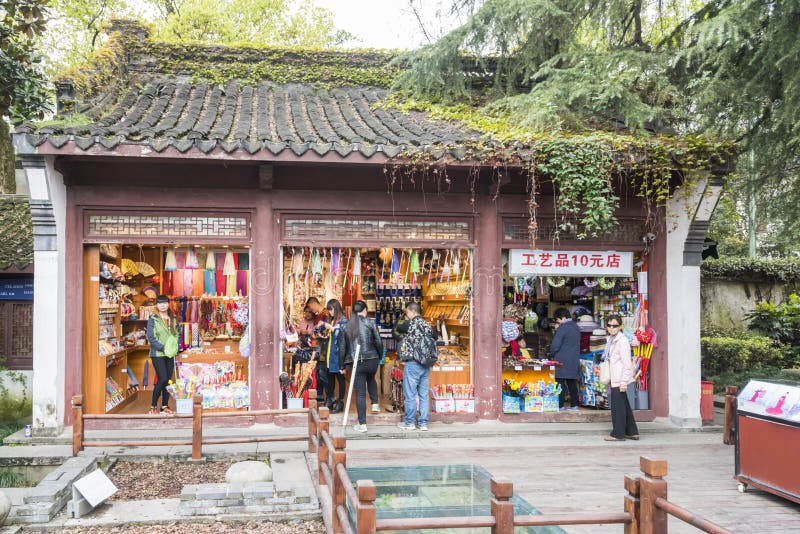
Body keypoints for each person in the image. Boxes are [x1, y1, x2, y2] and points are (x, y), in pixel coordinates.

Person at [344, 300, 384, 433]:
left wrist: (344, 364)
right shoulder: (371, 322)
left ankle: (362, 424)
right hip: (372, 359)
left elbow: (344, 347)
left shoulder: (348, 325)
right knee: (371, 378)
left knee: (360, 393)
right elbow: (378, 341)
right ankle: (375, 404)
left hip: (357, 362)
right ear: (365, 310)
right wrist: (379, 356)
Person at [397, 301, 435, 432]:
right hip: (426, 364)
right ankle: (423, 423)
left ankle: (410, 423)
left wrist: (404, 317)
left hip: (413, 363)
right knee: (424, 394)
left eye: (407, 312)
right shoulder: (427, 325)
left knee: (410, 395)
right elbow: (435, 336)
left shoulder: (409, 324)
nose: (406, 315)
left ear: (412, 311)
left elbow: (397, 328)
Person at [604, 314, 639, 441]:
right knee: (624, 405)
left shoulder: (622, 341)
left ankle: (618, 434)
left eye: (615, 326)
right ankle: (632, 431)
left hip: (619, 379)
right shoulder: (611, 339)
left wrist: (624, 382)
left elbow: (627, 364)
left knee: (617, 407)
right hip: (615, 377)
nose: (612, 328)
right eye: (609, 325)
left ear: (620, 326)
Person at [146, 295, 178, 415]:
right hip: (157, 354)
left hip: (170, 354)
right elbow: (151, 338)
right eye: (160, 303)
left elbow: (177, 333)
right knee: (163, 378)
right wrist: (165, 348)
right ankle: (153, 405)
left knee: (168, 380)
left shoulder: (173, 318)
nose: (163, 305)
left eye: (165, 303)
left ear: (168, 304)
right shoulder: (153, 319)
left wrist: (174, 347)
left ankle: (164, 406)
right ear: (157, 305)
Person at [550, 307, 582, 411]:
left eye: (557, 320)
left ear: (563, 318)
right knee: (572, 383)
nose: (557, 322)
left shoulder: (563, 327)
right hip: (573, 359)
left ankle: (560, 405)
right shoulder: (576, 327)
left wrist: (552, 353)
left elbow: (555, 345)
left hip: (561, 360)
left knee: (560, 382)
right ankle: (574, 405)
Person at [321, 299, 348, 413]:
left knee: (340, 378)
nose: (330, 312)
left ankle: (340, 401)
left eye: (331, 310)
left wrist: (331, 328)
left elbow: (343, 335)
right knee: (329, 377)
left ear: (335, 308)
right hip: (330, 354)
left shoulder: (344, 321)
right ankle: (330, 398)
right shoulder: (332, 320)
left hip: (339, 354)